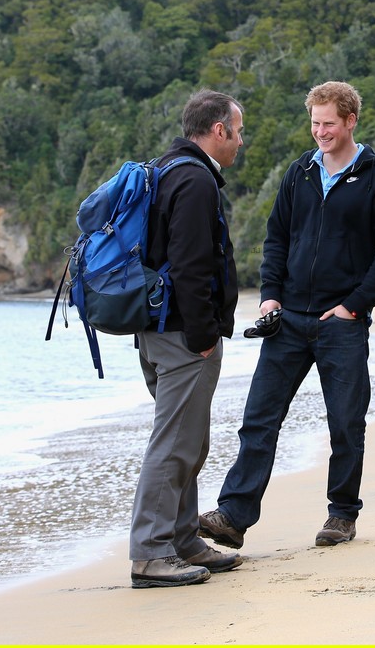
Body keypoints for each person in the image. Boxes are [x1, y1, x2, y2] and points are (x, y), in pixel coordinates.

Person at [199, 80, 375, 550]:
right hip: (288, 318)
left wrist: (354, 307)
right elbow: (276, 238)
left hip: (343, 323)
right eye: (315, 124)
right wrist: (270, 295)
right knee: (258, 419)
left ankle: (341, 516)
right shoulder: (300, 172)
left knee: (345, 422)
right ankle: (233, 516)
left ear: (351, 120)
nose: (320, 132)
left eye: (329, 124)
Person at [129, 90, 245, 589]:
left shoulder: (166, 168)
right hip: (181, 334)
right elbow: (194, 263)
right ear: (218, 130)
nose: (240, 141)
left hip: (157, 329)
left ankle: (182, 539)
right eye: (238, 131)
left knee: (188, 440)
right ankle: (151, 553)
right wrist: (203, 335)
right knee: (175, 444)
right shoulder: (194, 179)